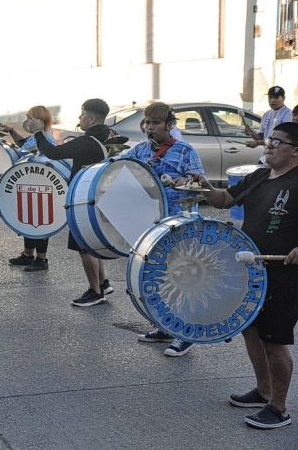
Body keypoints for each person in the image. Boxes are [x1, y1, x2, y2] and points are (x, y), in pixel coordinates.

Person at [187, 122, 298, 430]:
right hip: (252, 269)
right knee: (252, 331)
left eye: (278, 141)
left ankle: (279, 408)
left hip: (285, 273)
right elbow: (224, 200)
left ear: (295, 150)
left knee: (275, 341)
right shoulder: (260, 176)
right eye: (270, 140)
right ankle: (263, 391)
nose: (270, 145)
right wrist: (205, 186)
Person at [122, 102, 205, 358]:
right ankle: (166, 326)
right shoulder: (140, 150)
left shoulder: (184, 150)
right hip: (152, 224)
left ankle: (187, 334)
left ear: (169, 125)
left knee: (183, 279)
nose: (149, 127)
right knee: (158, 278)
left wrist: (181, 181)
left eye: (155, 123)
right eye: (147, 123)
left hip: (180, 222)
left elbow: (198, 182)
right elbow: (122, 173)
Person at [33, 98, 113, 307]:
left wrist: (37, 133)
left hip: (83, 199)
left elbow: (53, 152)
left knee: (84, 246)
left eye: (82, 114)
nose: (79, 118)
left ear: (92, 118)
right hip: (97, 196)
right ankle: (103, 283)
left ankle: (95, 292)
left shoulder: (87, 142)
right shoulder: (106, 137)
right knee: (93, 243)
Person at [0, 105, 57, 272]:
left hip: (39, 185)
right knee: (28, 221)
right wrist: (11, 131)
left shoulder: (45, 138)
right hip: (28, 183)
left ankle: (41, 259)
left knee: (39, 221)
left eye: (31, 118)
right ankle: (28, 254)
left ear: (39, 120)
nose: (28, 122)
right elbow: (24, 145)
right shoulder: (37, 136)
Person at [246, 86, 292, 164]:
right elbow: (261, 136)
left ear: (283, 98)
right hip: (266, 156)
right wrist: (251, 133)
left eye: (276, 97)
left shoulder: (289, 114)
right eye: (270, 97)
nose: (272, 100)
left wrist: (257, 143)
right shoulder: (266, 114)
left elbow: (278, 141)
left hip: (280, 158)